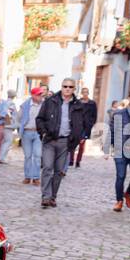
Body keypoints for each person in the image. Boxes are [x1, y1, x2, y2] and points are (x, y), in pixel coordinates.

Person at [36, 78, 90, 207]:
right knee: (47, 167)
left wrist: (78, 137)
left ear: (74, 89)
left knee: (59, 171)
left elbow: (82, 123)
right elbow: (39, 119)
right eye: (65, 86)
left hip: (66, 142)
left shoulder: (78, 105)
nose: (67, 89)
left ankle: (53, 197)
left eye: (70, 87)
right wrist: (43, 132)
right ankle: (46, 197)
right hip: (50, 139)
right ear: (61, 86)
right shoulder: (51, 101)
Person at [17, 86, 45, 185]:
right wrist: (21, 127)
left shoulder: (44, 105)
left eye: (41, 94)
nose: (41, 96)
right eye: (38, 94)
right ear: (33, 95)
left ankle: (36, 177)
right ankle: (28, 176)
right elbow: (18, 117)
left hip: (38, 133)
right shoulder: (25, 105)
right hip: (26, 132)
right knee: (28, 156)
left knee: (37, 155)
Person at [71, 86, 97, 168]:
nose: (85, 93)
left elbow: (94, 115)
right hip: (76, 126)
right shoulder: (77, 102)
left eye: (86, 92)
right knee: (73, 143)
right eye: (83, 92)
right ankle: (71, 160)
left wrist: (91, 123)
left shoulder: (92, 103)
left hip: (86, 127)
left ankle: (78, 161)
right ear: (81, 93)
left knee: (82, 145)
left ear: (88, 93)